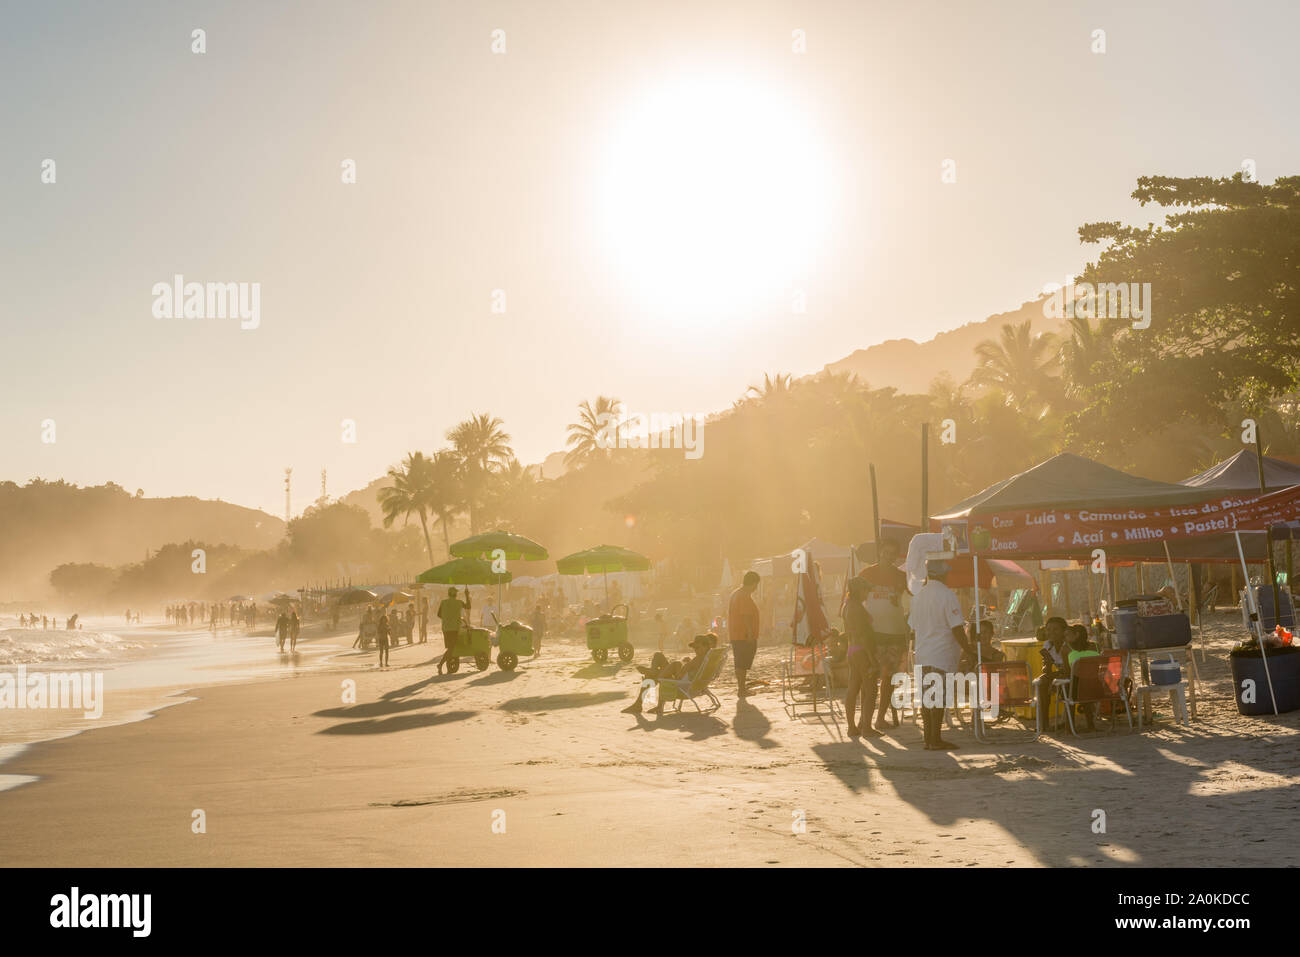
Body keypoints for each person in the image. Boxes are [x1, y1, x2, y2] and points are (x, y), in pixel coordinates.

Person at [907, 560, 973, 751]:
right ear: (943, 574)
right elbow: (957, 628)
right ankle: (935, 739)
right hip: (941, 654)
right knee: (938, 699)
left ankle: (929, 738)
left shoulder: (917, 596)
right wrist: (968, 650)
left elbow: (912, 627)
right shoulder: (947, 595)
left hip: (923, 653)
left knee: (927, 699)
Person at [856, 538, 909, 730]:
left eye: (893, 554)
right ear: (880, 553)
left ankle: (880, 718)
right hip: (873, 634)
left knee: (889, 678)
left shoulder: (900, 576)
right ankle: (864, 719)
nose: (889, 557)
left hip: (895, 632)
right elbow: (853, 602)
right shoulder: (867, 574)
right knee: (869, 678)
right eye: (886, 553)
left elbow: (911, 597)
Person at [622, 634, 715, 715]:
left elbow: (680, 674)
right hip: (690, 683)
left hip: (682, 685)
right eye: (694, 648)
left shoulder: (699, 658)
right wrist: (688, 663)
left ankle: (651, 678)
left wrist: (685, 664)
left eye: (697, 648)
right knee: (659, 657)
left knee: (671, 663)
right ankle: (653, 674)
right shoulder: (708, 658)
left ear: (705, 646)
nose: (695, 650)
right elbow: (691, 670)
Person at [842, 577, 881, 738]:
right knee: (871, 689)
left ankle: (852, 727)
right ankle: (866, 727)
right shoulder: (857, 608)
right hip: (862, 651)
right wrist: (873, 659)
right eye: (866, 590)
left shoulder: (847, 606)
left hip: (852, 649)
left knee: (853, 688)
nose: (868, 592)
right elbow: (864, 636)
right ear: (859, 590)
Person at [728, 571, 762, 698]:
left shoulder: (736, 593)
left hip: (736, 634)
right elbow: (746, 616)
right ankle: (741, 689)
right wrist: (750, 634)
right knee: (742, 663)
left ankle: (741, 688)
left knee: (739, 662)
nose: (756, 587)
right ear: (753, 583)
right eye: (756, 584)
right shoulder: (744, 596)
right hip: (743, 635)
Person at [1035, 616, 1071, 731]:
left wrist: (1052, 678)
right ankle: (1044, 724)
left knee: (1047, 681)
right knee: (1041, 683)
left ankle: (1067, 722)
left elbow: (1068, 670)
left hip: (1073, 675)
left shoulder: (1068, 645)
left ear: (1063, 631)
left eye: (1055, 629)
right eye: (1048, 629)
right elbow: (1047, 669)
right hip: (1060, 675)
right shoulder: (1047, 644)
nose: (1051, 632)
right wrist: (1046, 664)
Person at [436, 586, 470, 675]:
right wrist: (467, 595)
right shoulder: (459, 602)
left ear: (448, 594)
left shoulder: (443, 602)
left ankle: (445, 665)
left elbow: (439, 614)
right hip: (454, 628)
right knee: (452, 648)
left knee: (450, 647)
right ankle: (440, 664)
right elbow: (468, 606)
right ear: (455, 594)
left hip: (446, 628)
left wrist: (447, 618)